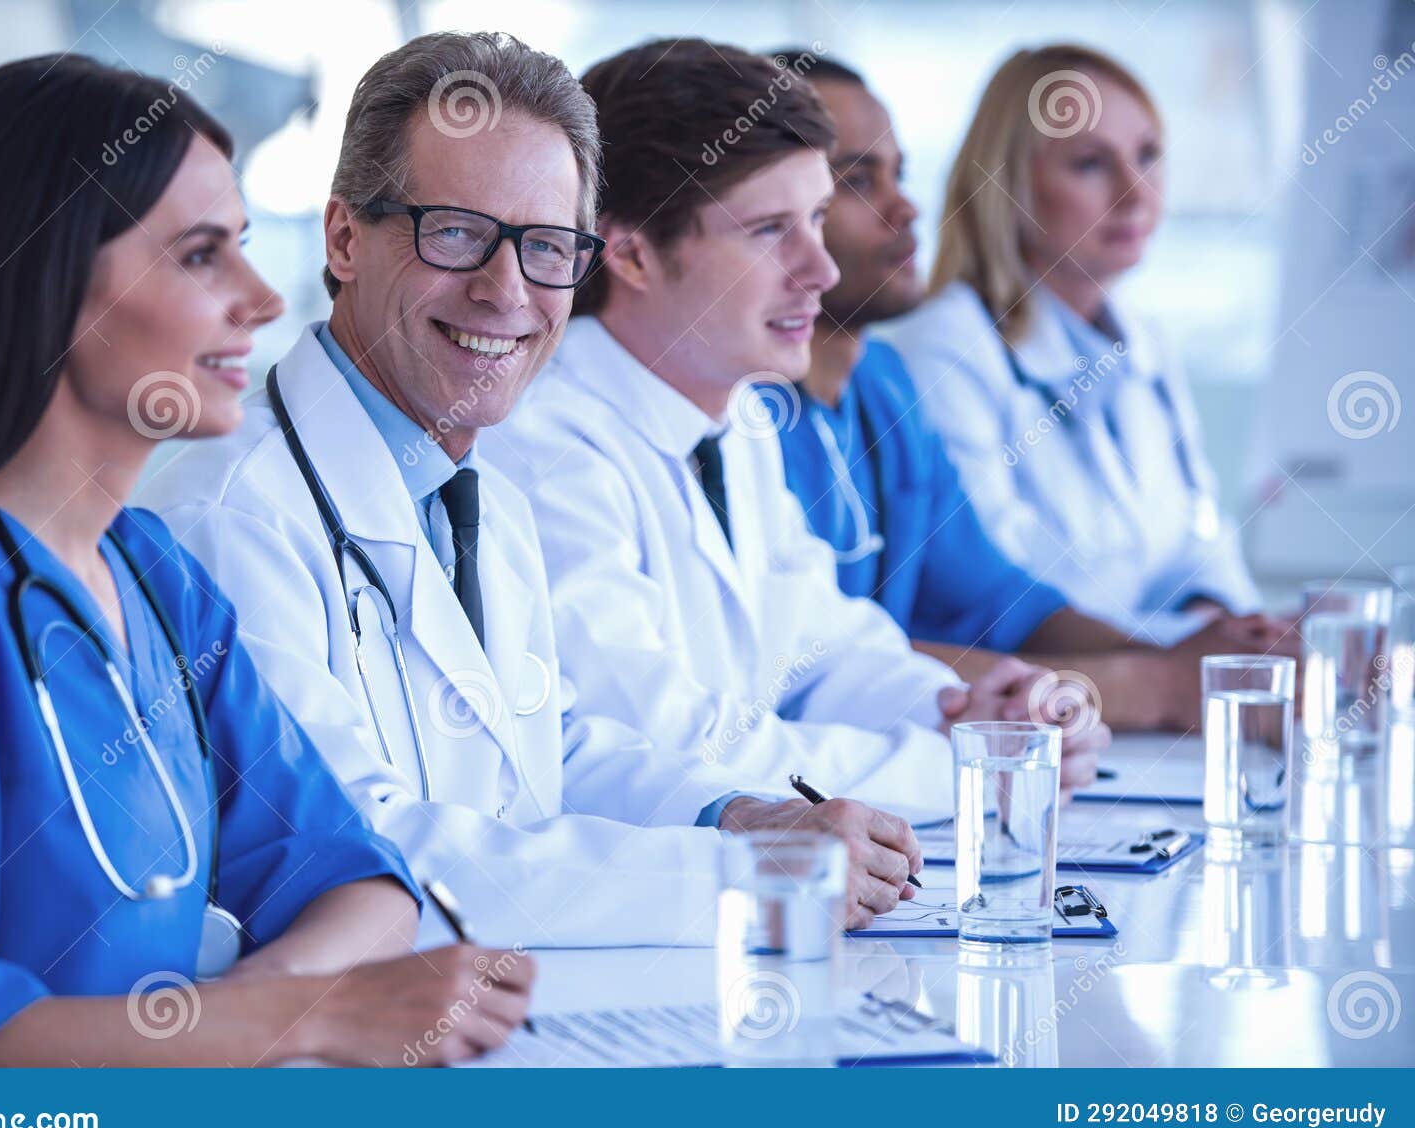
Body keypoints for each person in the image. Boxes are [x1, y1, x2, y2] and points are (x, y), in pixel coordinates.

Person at [0, 55, 531, 1068]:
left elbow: (356, 878)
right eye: (201, 256)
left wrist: (246, 1012)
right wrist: (303, 1017)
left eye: (242, 247)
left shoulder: (154, 578)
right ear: (46, 273)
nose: (261, 299)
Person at [138, 31, 926, 944]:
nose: (505, 290)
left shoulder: (477, 494)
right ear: (345, 237)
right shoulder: (230, 517)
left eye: (548, 247)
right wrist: (739, 879)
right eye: (459, 233)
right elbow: (360, 850)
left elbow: (546, 754)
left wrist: (735, 818)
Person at [486, 40, 1110, 813]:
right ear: (635, 255)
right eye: (770, 230)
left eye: (817, 219)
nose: (820, 269)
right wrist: (967, 769)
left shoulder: (735, 415)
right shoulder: (542, 442)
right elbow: (676, 743)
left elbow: (818, 650)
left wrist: (970, 711)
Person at [761, 51, 1284, 732]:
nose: (906, 206)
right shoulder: (764, 409)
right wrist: (1160, 685)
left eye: (900, 173)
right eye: (856, 182)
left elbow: (1001, 602)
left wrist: (1212, 657)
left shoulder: (880, 383)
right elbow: (816, 667)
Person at [888, 44, 1269, 648]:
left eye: (1147, 157)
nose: (1136, 193)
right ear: (1009, 184)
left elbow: (1198, 533)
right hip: (1048, 709)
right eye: (1092, 164)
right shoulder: (942, 351)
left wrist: (1219, 619)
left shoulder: (1145, 344)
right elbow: (1002, 589)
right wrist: (1179, 651)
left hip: (1156, 701)